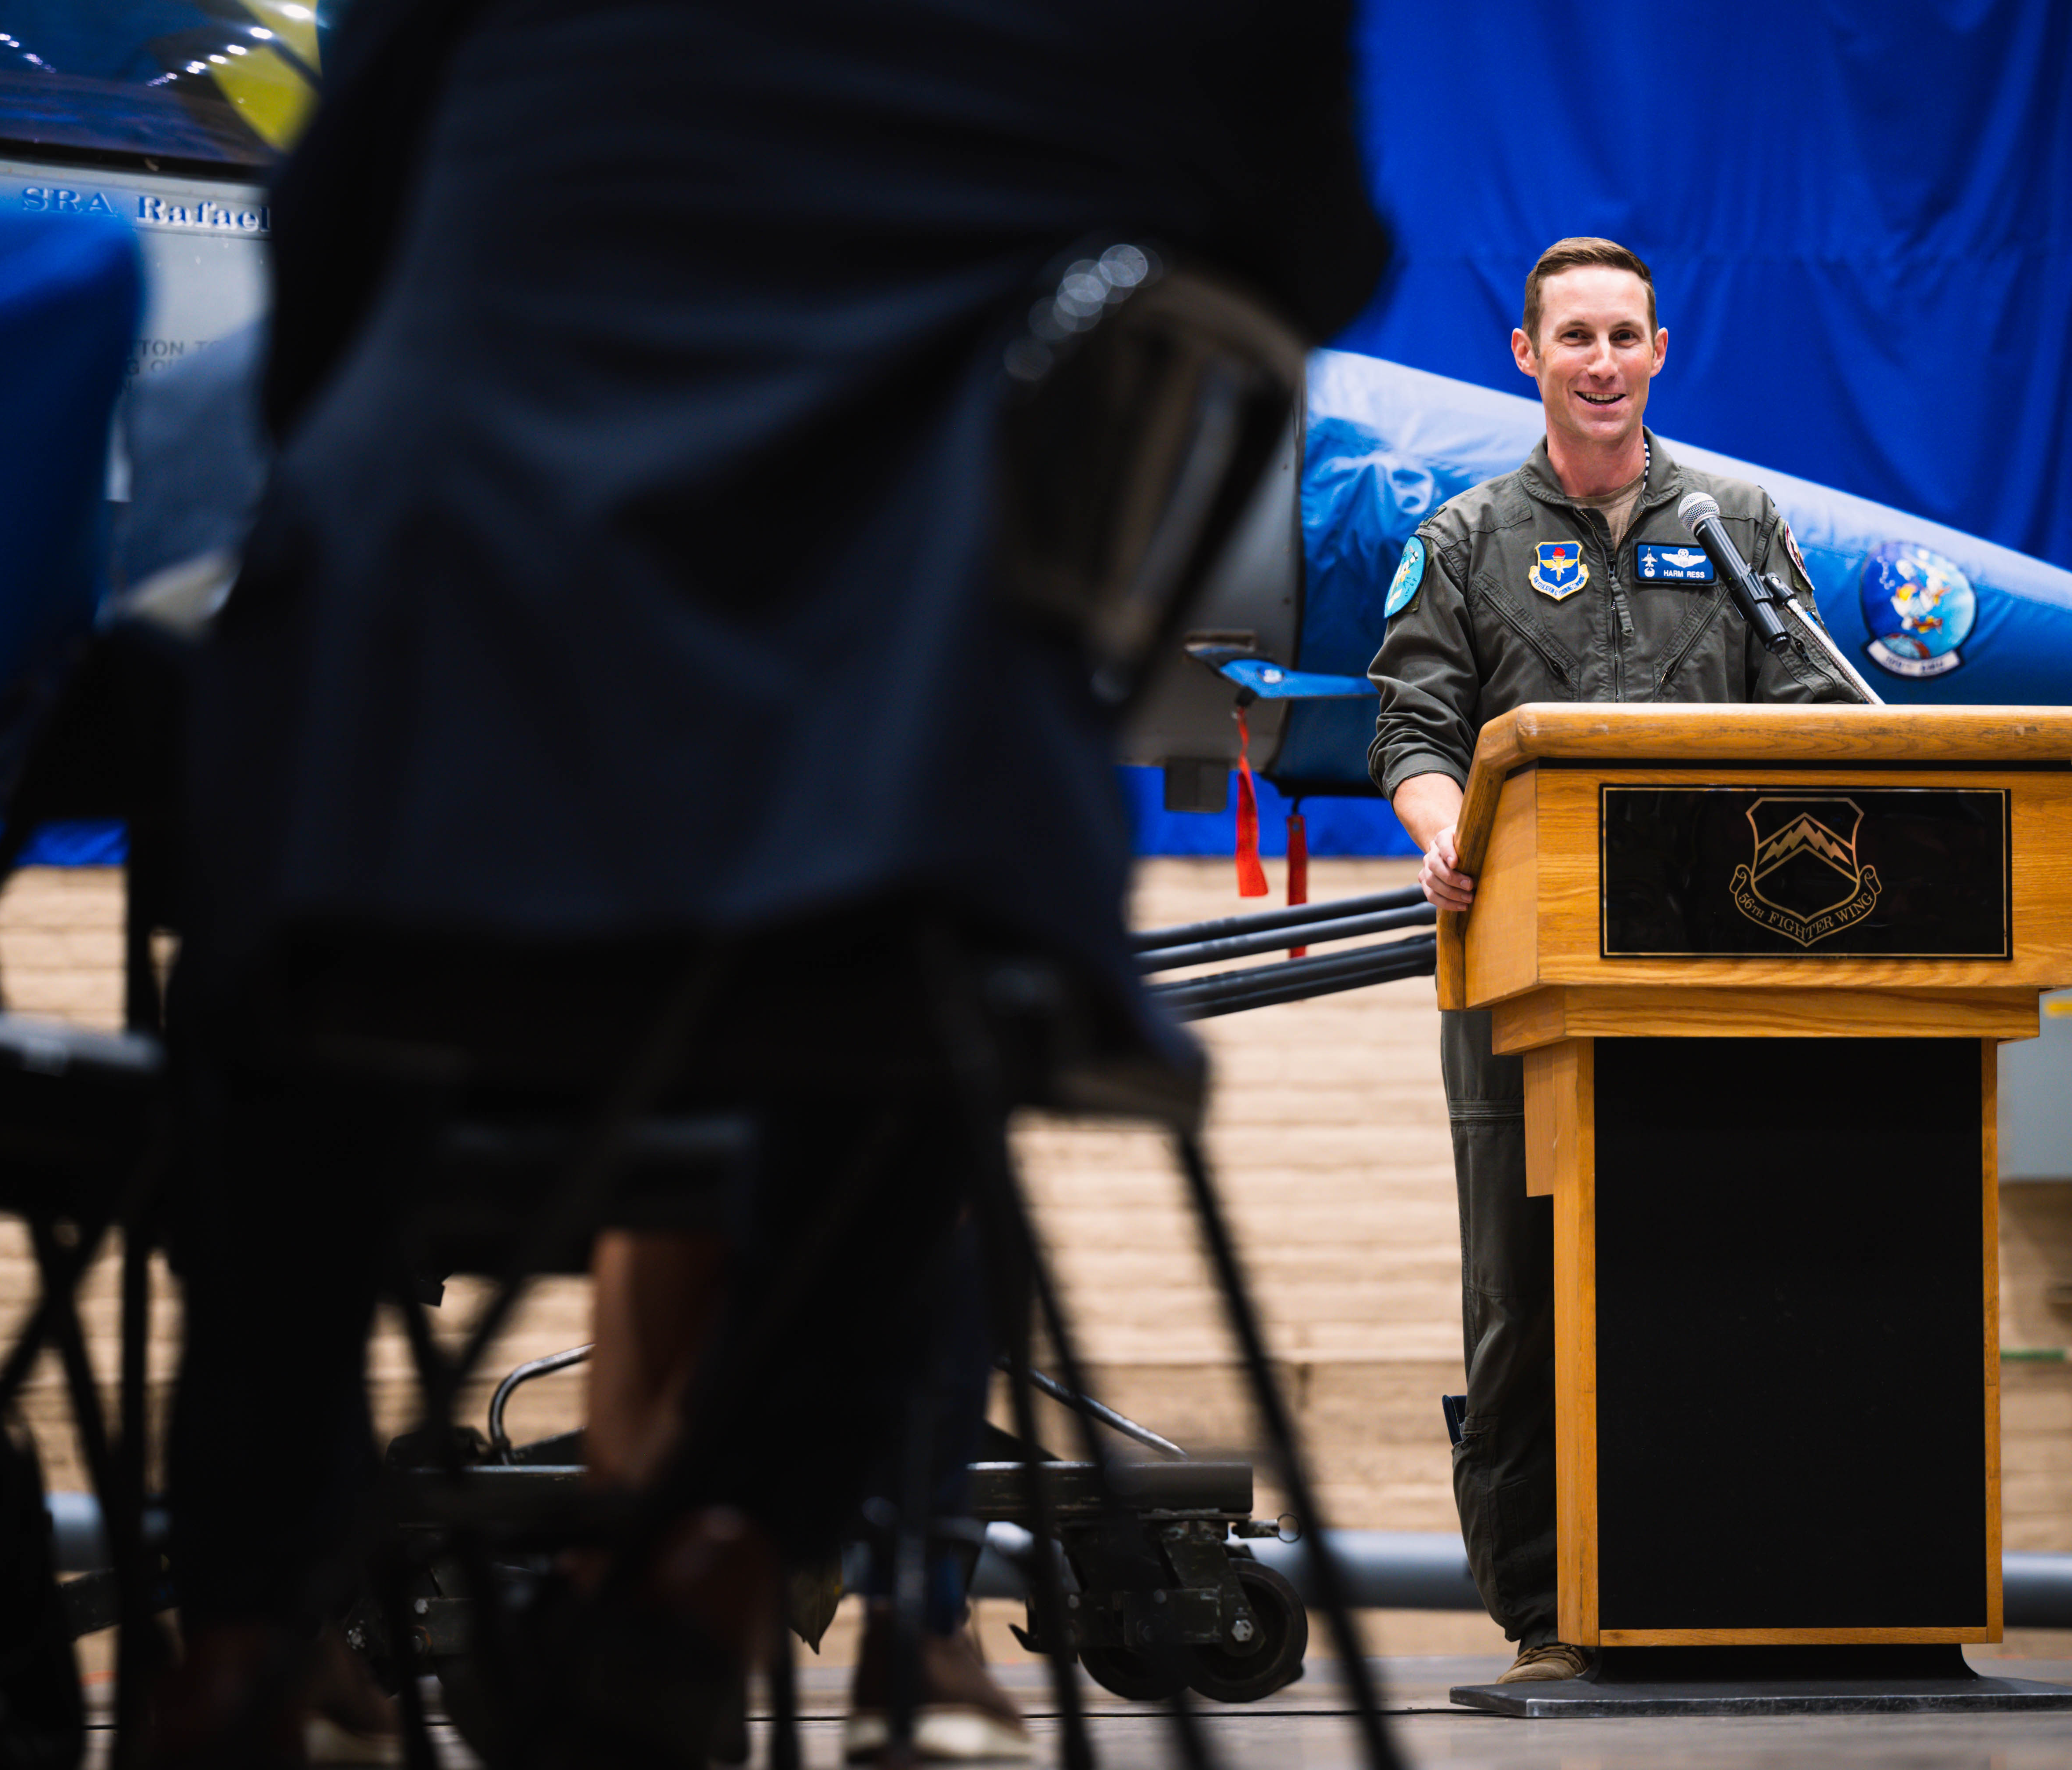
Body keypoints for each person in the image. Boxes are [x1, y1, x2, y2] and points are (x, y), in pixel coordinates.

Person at [155, 2, 1386, 1764]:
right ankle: (720, 1555)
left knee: (291, 940)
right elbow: (1309, 257)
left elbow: (333, 239)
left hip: (421, 733)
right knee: (910, 937)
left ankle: (249, 1632)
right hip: (873, 780)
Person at [1367, 236, 1844, 1686]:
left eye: (1624, 335)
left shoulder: (1741, 522)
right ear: (1528, 356)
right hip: (1524, 979)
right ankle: (1540, 1615)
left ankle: (1733, 1587)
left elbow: (1823, 718)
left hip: (1721, 980)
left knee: (1722, 1275)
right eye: (1572, 334)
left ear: (1657, 351)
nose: (1601, 360)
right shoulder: (1462, 541)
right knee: (1525, 1296)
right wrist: (1440, 831)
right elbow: (1413, 727)